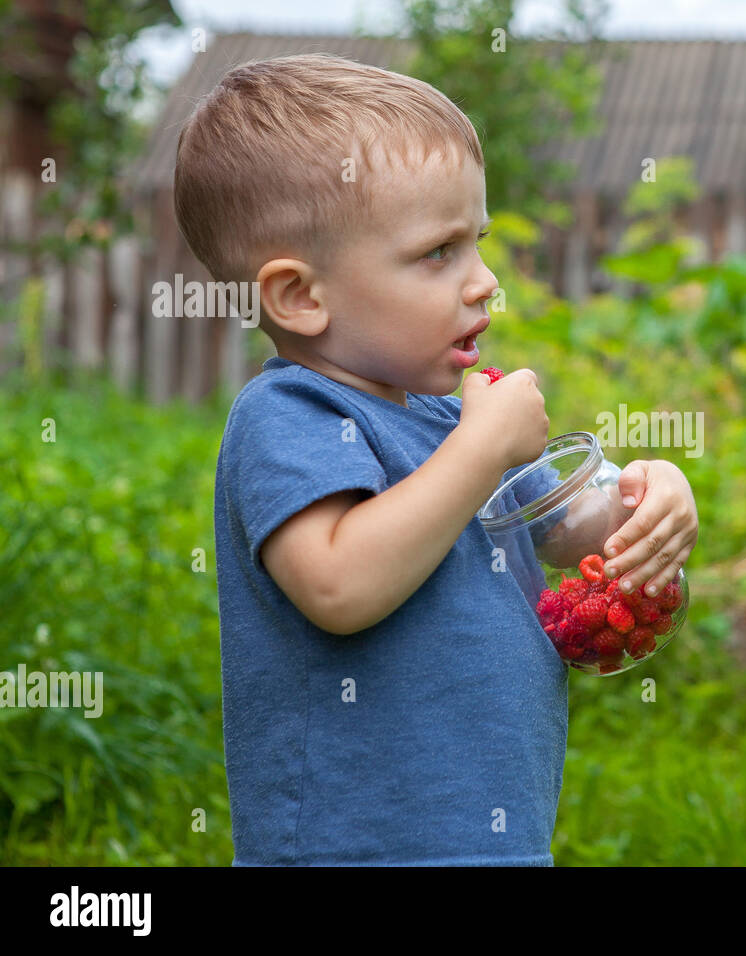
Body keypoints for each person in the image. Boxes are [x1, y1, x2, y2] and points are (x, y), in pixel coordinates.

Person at [177, 53, 699, 865]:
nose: (485, 282)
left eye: (477, 244)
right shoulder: (289, 418)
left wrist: (644, 500)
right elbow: (340, 585)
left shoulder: (442, 418)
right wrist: (482, 442)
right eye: (438, 253)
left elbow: (560, 531)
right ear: (300, 297)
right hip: (352, 850)